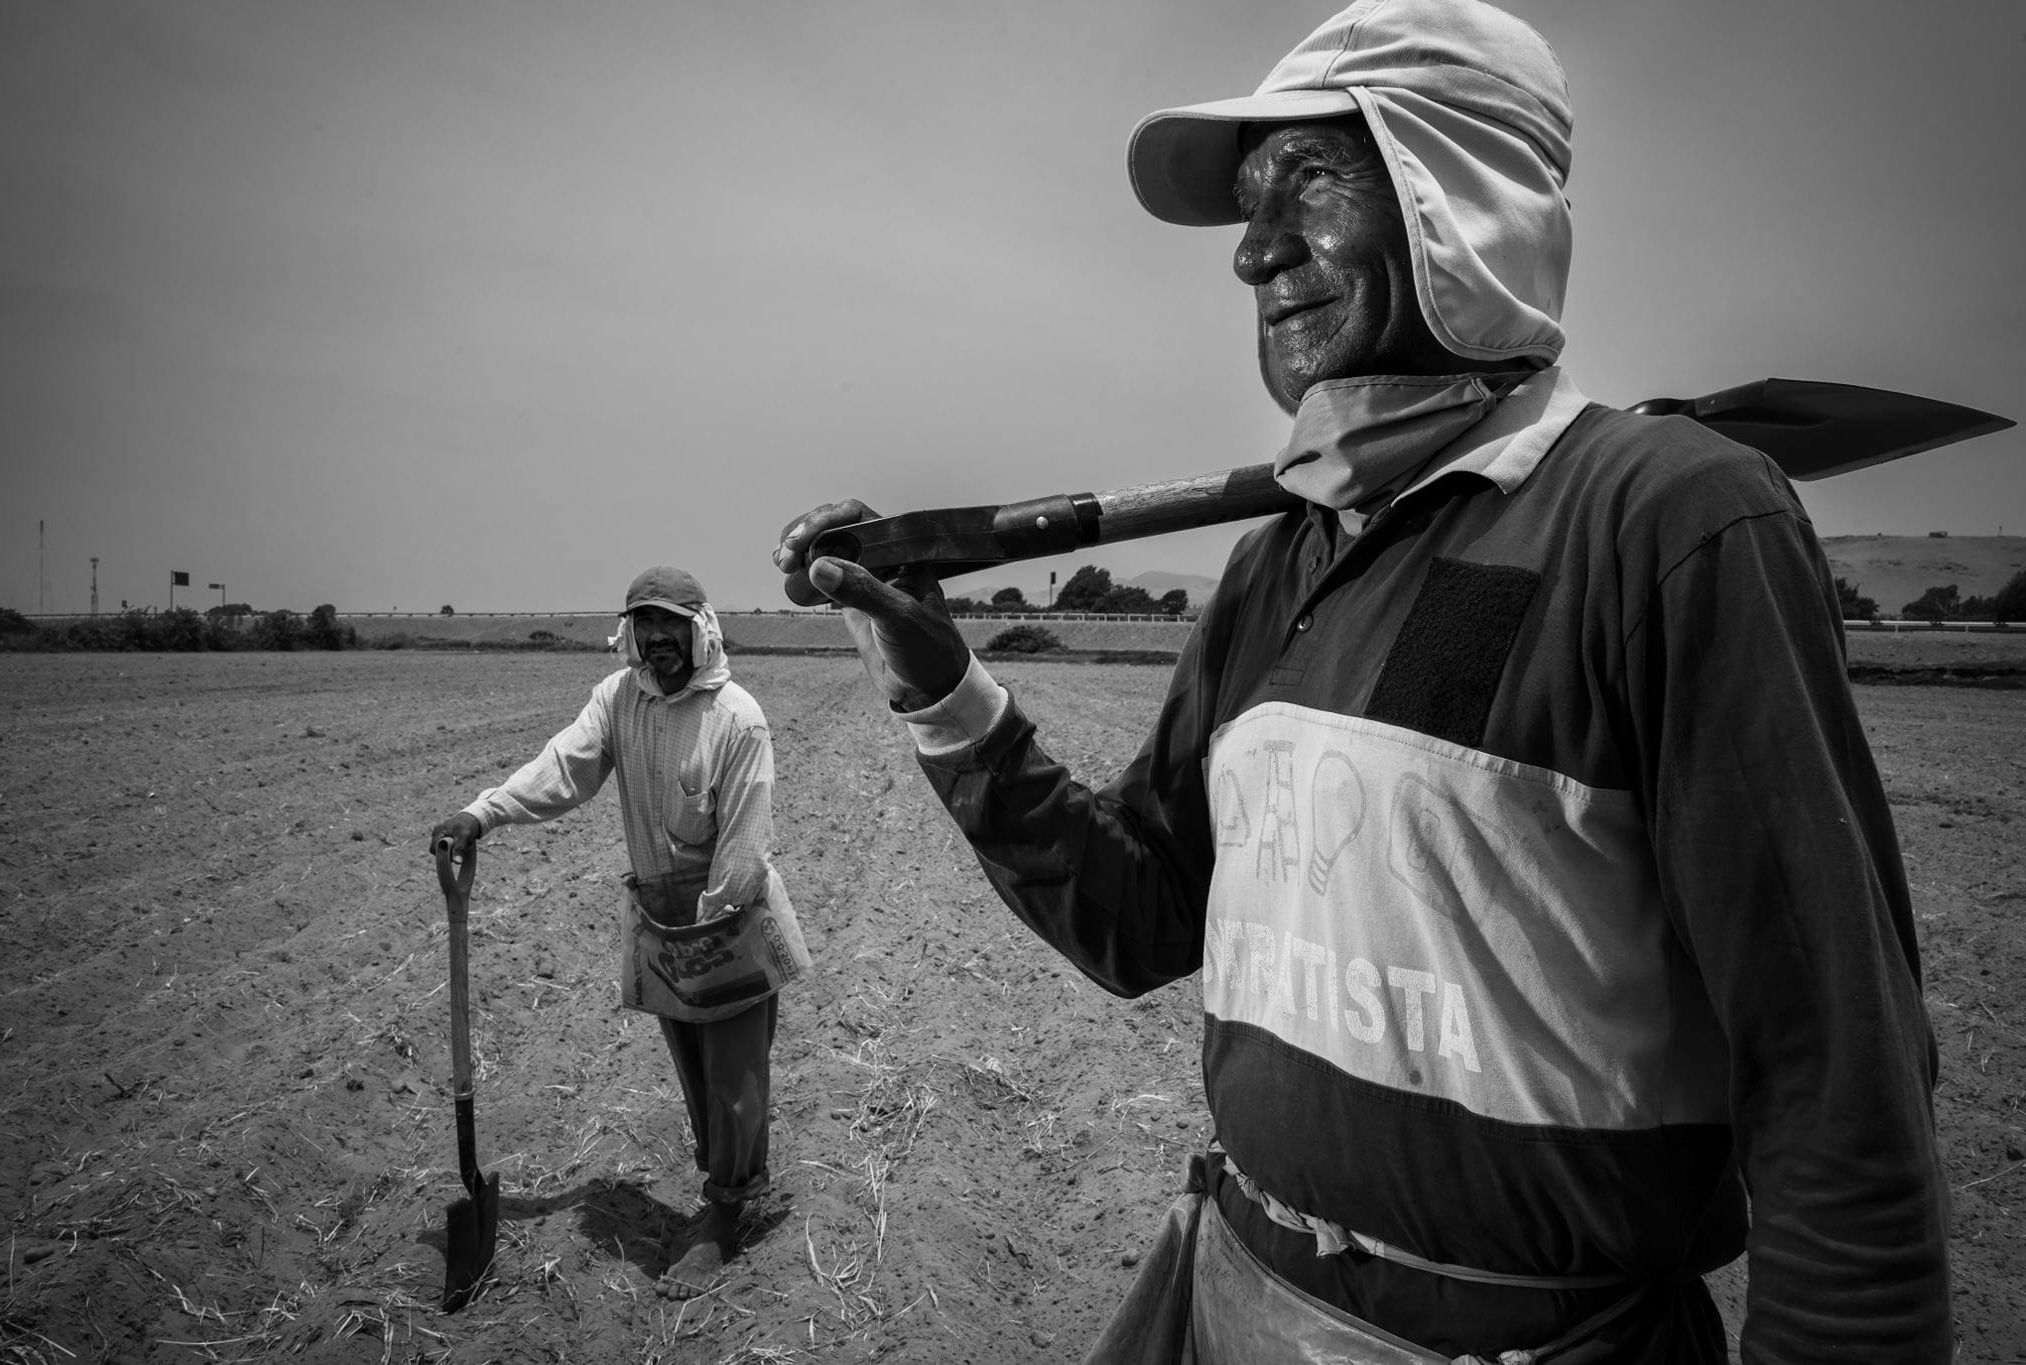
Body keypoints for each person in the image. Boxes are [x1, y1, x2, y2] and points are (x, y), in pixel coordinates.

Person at [772, 1, 1950, 1360]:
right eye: (1249, 208)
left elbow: (1836, 1076)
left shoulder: (1661, 519)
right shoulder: (1279, 562)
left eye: (1310, 182)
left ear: (1466, 195)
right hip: (1230, 1285)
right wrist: (943, 691)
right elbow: (1138, 917)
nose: (1255, 252)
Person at [428, 565, 810, 1299]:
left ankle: (725, 1214)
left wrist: (708, 938)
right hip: (662, 916)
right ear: (628, 632)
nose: (657, 637)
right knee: (694, 1066)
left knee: (733, 1072)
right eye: (644, 623)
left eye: (671, 623)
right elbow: (563, 767)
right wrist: (482, 813)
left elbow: (743, 848)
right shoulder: (618, 699)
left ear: (701, 630)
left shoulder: (738, 719)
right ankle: (725, 1187)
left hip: (729, 916)